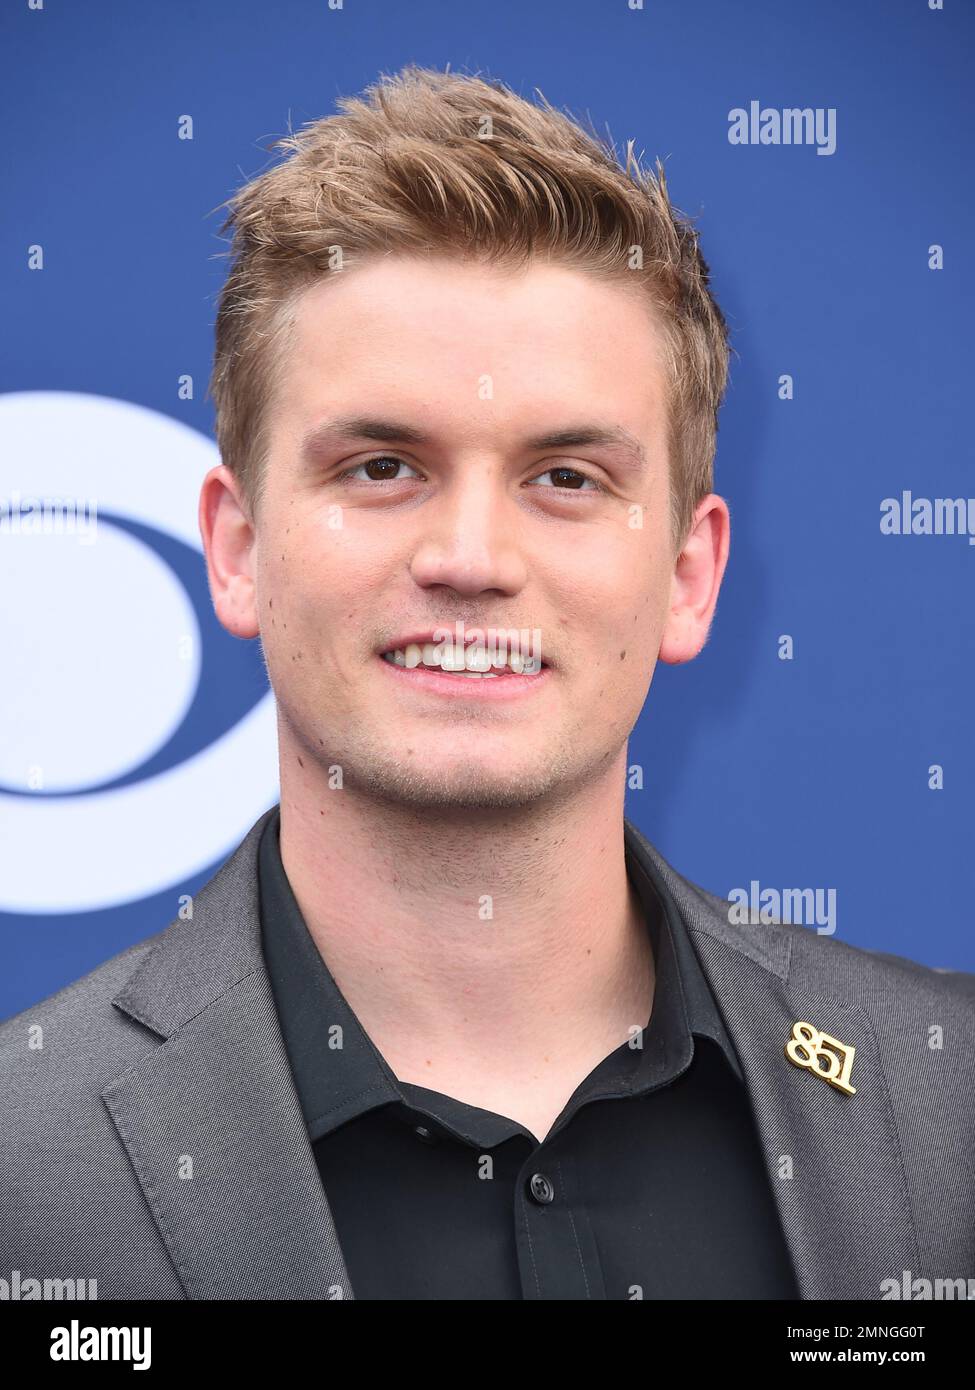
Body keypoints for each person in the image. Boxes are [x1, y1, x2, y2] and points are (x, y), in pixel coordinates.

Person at [2, 65, 972, 1302]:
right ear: (237, 549)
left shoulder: (948, 1109)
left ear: (689, 574)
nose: (470, 559)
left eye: (565, 477)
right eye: (383, 465)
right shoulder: (21, 1163)